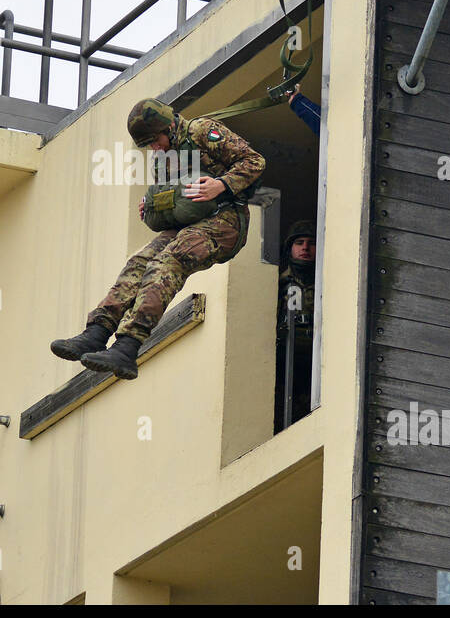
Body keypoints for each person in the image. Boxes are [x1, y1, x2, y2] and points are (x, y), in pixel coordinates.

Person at [50, 99, 266, 380]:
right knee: (139, 263)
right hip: (186, 224)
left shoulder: (203, 132)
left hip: (225, 221)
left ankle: (128, 345)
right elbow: (171, 195)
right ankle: (97, 332)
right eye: (148, 144)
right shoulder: (162, 159)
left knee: (169, 261)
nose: (155, 147)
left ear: (169, 126)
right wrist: (151, 206)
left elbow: (255, 161)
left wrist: (221, 184)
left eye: (156, 140)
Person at [275, 219, 316, 431]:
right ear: (290, 248)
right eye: (299, 242)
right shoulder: (278, 283)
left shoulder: (325, 282)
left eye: (311, 243)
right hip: (285, 359)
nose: (305, 248)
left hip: (314, 360)